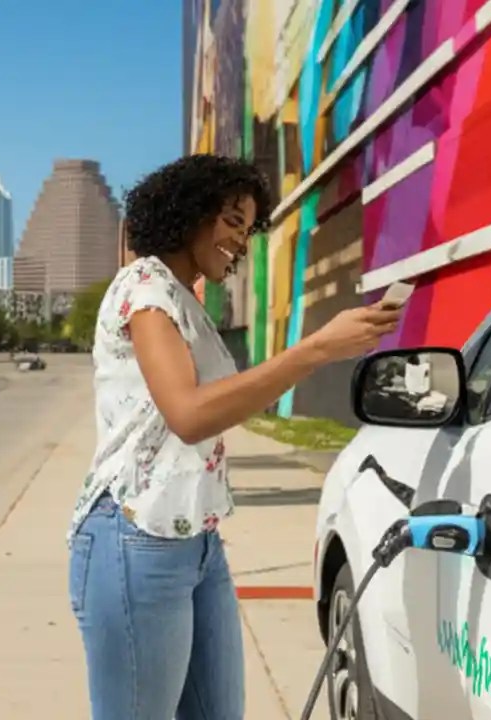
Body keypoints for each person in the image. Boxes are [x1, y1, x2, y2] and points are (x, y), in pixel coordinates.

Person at [67, 154, 401, 720]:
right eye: (230, 222)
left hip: (196, 541)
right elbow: (190, 414)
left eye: (248, 231)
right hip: (136, 537)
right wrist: (316, 349)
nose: (240, 242)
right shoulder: (146, 288)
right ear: (190, 213)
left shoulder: (183, 298)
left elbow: (224, 404)